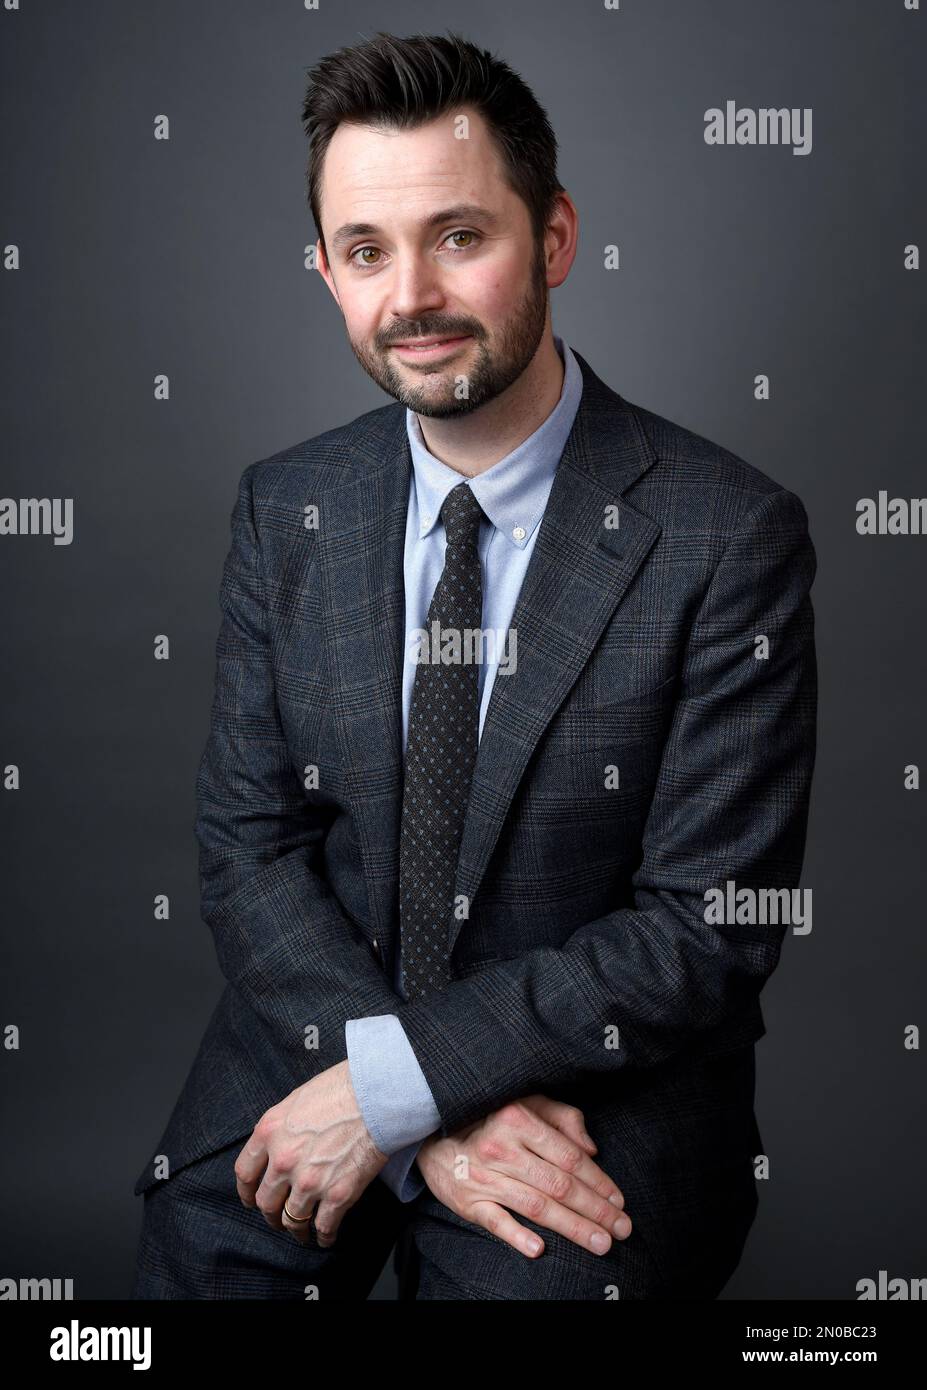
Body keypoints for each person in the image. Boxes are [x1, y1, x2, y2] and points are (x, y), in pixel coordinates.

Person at [131, 30, 817, 1301]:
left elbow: (707, 927)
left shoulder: (730, 534)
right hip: (312, 1030)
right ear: (325, 270)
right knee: (187, 1275)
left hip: (597, 1089)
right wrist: (404, 1100)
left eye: (460, 237)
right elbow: (247, 845)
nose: (411, 301)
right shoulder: (288, 505)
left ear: (555, 238)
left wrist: (400, 1093)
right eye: (366, 252)